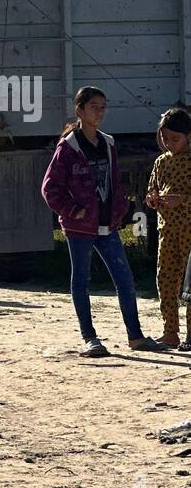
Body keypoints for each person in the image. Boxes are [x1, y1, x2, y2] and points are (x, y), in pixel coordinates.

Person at [41, 86, 167, 356]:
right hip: (79, 227)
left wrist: (120, 209)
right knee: (81, 281)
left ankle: (136, 337)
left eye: (103, 107)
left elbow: (115, 183)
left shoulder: (108, 143)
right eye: (93, 107)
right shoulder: (68, 147)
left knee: (125, 279)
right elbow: (49, 188)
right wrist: (72, 210)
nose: (99, 112)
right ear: (79, 111)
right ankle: (90, 339)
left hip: (107, 225)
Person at [146, 106, 191, 347]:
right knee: (165, 280)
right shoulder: (161, 162)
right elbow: (151, 191)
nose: (169, 143)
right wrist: (153, 199)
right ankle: (170, 331)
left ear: (188, 137)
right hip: (167, 231)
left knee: (190, 285)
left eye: (175, 139)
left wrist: (182, 200)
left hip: (188, 232)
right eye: (165, 138)